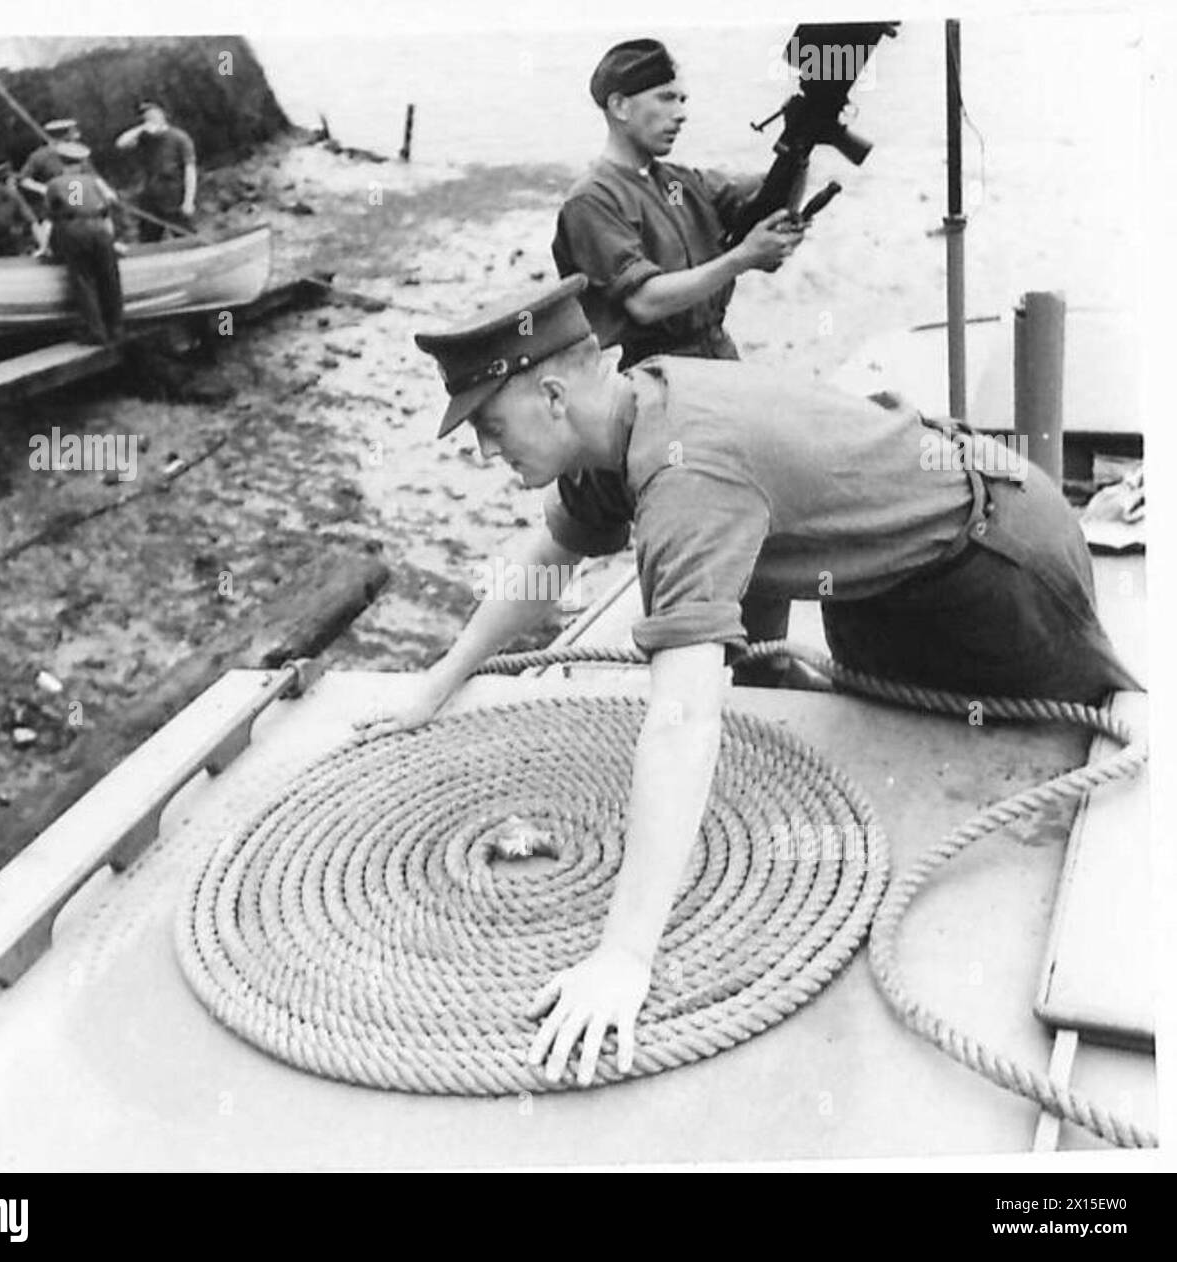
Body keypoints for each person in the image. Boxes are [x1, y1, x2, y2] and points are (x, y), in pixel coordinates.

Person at [361, 275, 1140, 1087]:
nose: (486, 452)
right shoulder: (623, 417)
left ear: (553, 396)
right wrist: (438, 682)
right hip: (884, 579)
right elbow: (548, 560)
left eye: (489, 426)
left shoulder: (684, 476)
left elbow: (683, 720)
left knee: (1042, 748)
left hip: (996, 566)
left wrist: (624, 956)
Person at [552, 38, 805, 372]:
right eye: (667, 98)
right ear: (620, 107)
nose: (681, 114)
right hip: (658, 376)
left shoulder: (682, 182)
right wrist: (742, 258)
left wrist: (802, 142)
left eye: (682, 99)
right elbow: (645, 302)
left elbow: (772, 199)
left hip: (720, 356)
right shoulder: (593, 199)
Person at [39, 141, 124, 346]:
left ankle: (96, 331)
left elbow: (49, 218)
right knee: (109, 277)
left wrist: (44, 247)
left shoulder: (55, 184)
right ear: (82, 162)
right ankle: (116, 328)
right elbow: (109, 206)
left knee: (83, 280)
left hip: (75, 231)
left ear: (61, 162)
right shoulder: (93, 181)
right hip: (100, 229)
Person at [114, 99, 197, 242]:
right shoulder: (143, 138)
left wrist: (188, 201)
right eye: (146, 116)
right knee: (148, 238)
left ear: (162, 115)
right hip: (150, 196)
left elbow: (190, 171)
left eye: (152, 115)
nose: (149, 118)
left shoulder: (179, 137)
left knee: (186, 237)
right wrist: (141, 128)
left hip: (173, 194)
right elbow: (121, 144)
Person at [19, 118, 82, 209]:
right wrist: (45, 190)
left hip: (80, 206)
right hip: (56, 209)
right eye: (72, 131)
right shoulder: (41, 156)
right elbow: (24, 179)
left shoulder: (79, 153)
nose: (76, 136)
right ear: (63, 135)